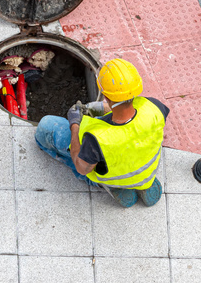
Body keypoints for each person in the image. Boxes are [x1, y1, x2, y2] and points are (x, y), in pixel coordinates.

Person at [35, 58, 169, 208]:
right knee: (130, 153)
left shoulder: (97, 140)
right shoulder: (154, 107)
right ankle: (144, 184)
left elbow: (82, 167)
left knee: (46, 126)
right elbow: (129, 115)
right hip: (143, 169)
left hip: (115, 173)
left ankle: (112, 187)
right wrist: (99, 108)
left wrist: (74, 126)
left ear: (106, 96)